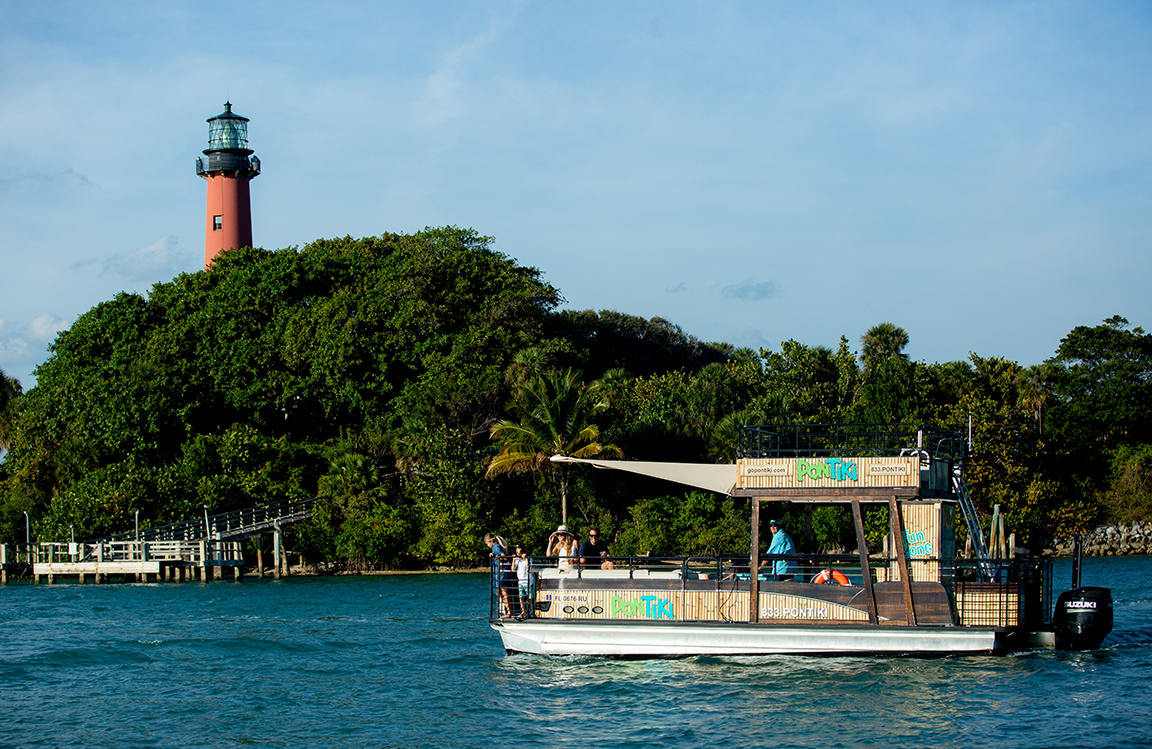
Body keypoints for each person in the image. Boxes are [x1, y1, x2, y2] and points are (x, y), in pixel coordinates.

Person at [484, 532, 514, 617]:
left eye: (487, 543)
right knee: (501, 592)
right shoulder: (495, 548)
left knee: (503, 591)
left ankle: (509, 612)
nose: (487, 545)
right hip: (501, 572)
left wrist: (496, 556)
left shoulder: (496, 547)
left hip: (501, 572)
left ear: (490, 541)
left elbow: (503, 556)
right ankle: (509, 611)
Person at [513, 545, 531, 619]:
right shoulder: (518, 560)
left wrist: (526, 559)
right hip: (520, 581)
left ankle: (529, 611)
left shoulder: (529, 559)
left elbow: (528, 566)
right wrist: (514, 560)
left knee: (529, 597)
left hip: (528, 581)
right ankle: (523, 610)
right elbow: (513, 568)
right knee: (521, 596)